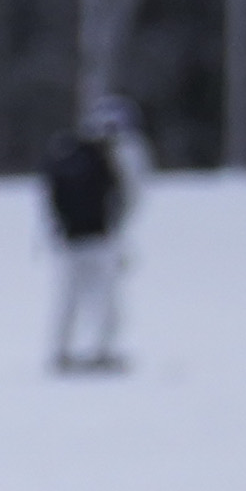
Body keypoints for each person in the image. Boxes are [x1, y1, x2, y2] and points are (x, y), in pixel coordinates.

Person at [42, 95, 144, 374]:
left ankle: (61, 349)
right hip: (100, 238)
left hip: (72, 238)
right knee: (106, 299)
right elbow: (121, 198)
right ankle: (102, 350)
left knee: (70, 297)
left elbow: (52, 197)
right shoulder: (105, 160)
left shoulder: (64, 156)